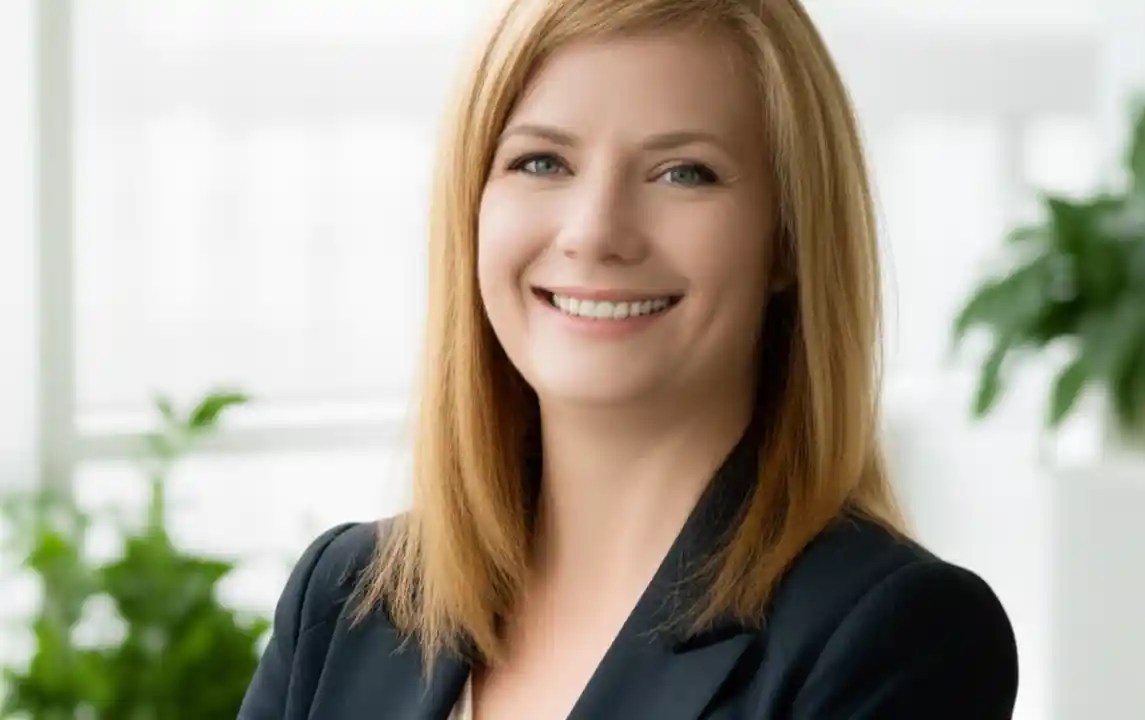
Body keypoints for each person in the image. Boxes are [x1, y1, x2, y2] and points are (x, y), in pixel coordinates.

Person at [238, 0, 1019, 718]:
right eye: (542, 162)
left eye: (684, 173)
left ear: (787, 237)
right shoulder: (343, 602)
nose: (595, 231)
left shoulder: (894, 634)